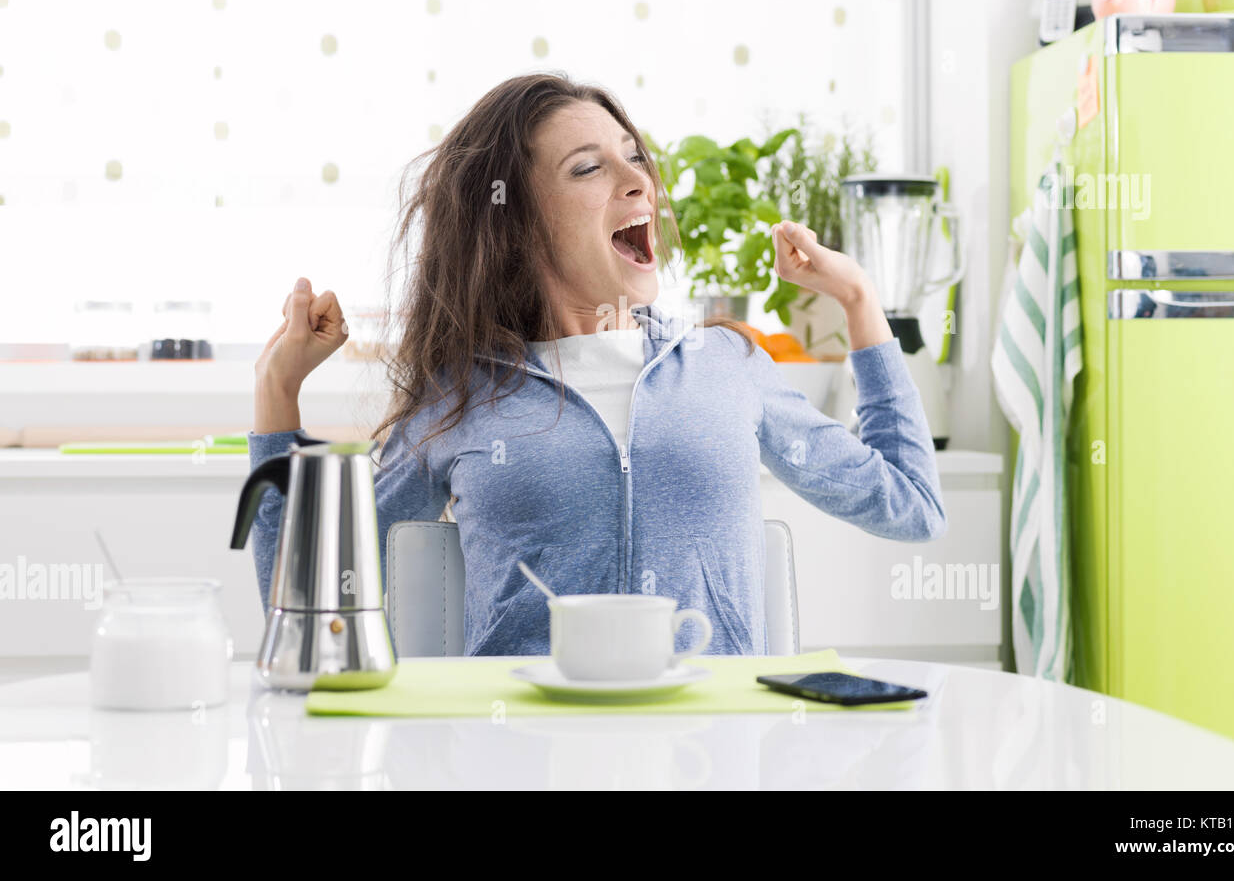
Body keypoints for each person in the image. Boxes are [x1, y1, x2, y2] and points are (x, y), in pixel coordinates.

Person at [248, 72, 945, 656]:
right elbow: (306, 589)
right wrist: (277, 389)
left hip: (713, 755)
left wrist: (860, 302)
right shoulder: (461, 397)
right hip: (524, 757)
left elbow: (912, 507)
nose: (638, 180)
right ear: (515, 221)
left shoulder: (727, 364)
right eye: (588, 167)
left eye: (635, 156)